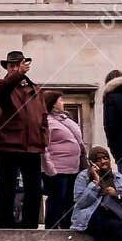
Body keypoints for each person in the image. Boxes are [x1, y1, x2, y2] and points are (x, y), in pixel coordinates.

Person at [0, 51, 45, 229]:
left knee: (34, 187)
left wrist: (44, 137)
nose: (14, 68)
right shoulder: (1, 85)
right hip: (9, 143)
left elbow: (41, 116)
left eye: (17, 65)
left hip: (33, 145)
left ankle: (30, 223)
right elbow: (0, 92)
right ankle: (6, 222)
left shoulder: (35, 89)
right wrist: (17, 74)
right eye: (11, 66)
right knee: (7, 186)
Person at [41, 91, 84, 230]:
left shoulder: (67, 119)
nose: (63, 102)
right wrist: (49, 167)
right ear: (53, 104)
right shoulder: (46, 121)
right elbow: (44, 146)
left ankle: (67, 225)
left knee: (70, 198)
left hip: (73, 166)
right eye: (60, 100)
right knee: (57, 197)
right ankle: (52, 226)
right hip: (57, 167)